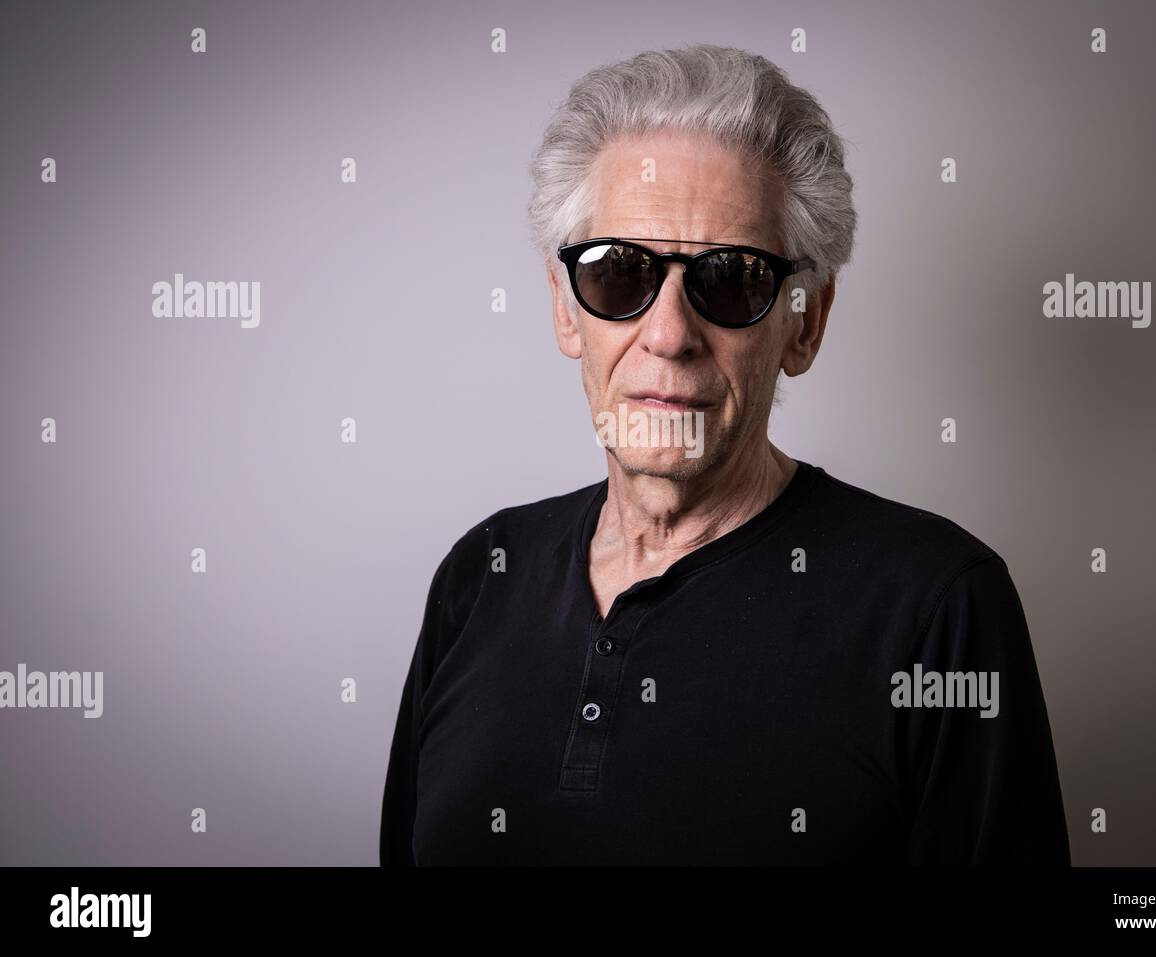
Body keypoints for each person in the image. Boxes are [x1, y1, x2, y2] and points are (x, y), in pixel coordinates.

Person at [380, 43, 1069, 866]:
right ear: (566, 310)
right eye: (617, 273)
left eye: (733, 278)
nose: (668, 335)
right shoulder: (479, 575)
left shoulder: (937, 610)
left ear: (804, 323)